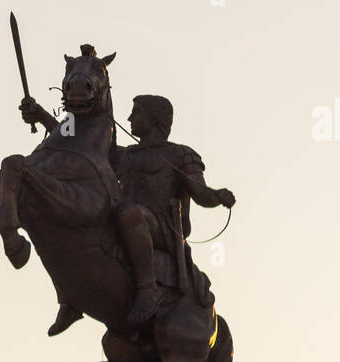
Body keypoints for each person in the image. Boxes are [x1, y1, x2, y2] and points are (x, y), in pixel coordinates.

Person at [19, 93, 234, 334]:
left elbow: (200, 192)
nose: (130, 117)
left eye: (137, 112)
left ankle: (147, 288)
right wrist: (41, 115)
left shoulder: (181, 155)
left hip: (161, 228)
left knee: (128, 212)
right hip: (124, 219)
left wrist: (217, 196)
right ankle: (69, 298)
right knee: (71, 222)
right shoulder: (127, 155)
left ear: (154, 119)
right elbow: (78, 142)